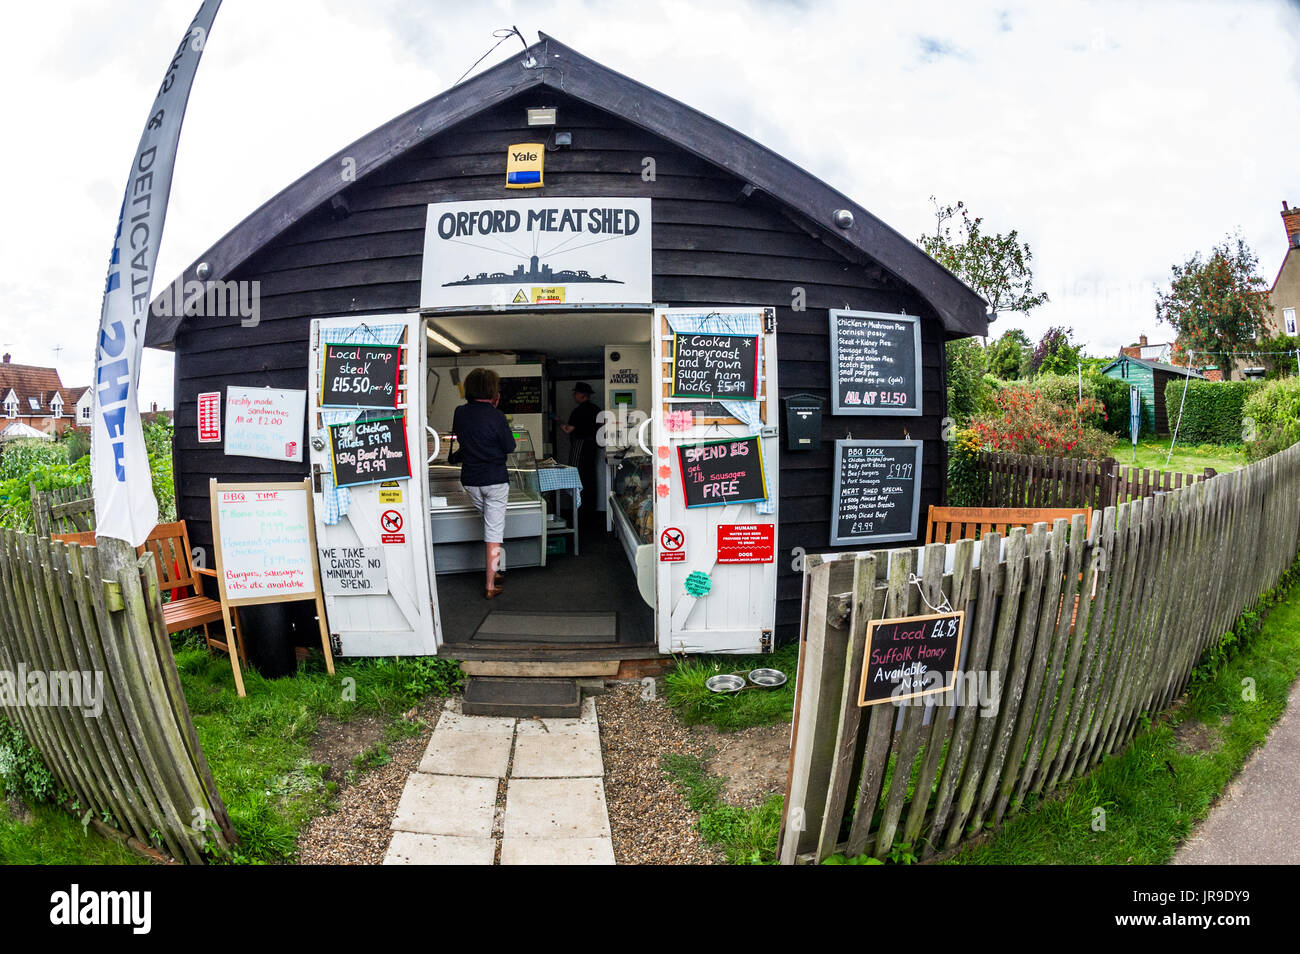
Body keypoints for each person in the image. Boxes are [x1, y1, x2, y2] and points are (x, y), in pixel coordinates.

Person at [450, 368, 516, 598]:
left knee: (489, 526)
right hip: (495, 480)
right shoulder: (496, 416)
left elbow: (463, 439)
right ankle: (490, 584)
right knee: (494, 532)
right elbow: (510, 447)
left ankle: (495, 569)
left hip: (470, 480)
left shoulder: (460, 412)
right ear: (492, 390)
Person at [561, 382, 601, 521]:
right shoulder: (596, 409)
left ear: (582, 395)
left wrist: (558, 421)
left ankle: (579, 512)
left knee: (576, 475)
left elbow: (568, 430)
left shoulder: (578, 411)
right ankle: (590, 510)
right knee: (589, 476)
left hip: (580, 445)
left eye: (576, 393)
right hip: (593, 447)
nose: (574, 395)